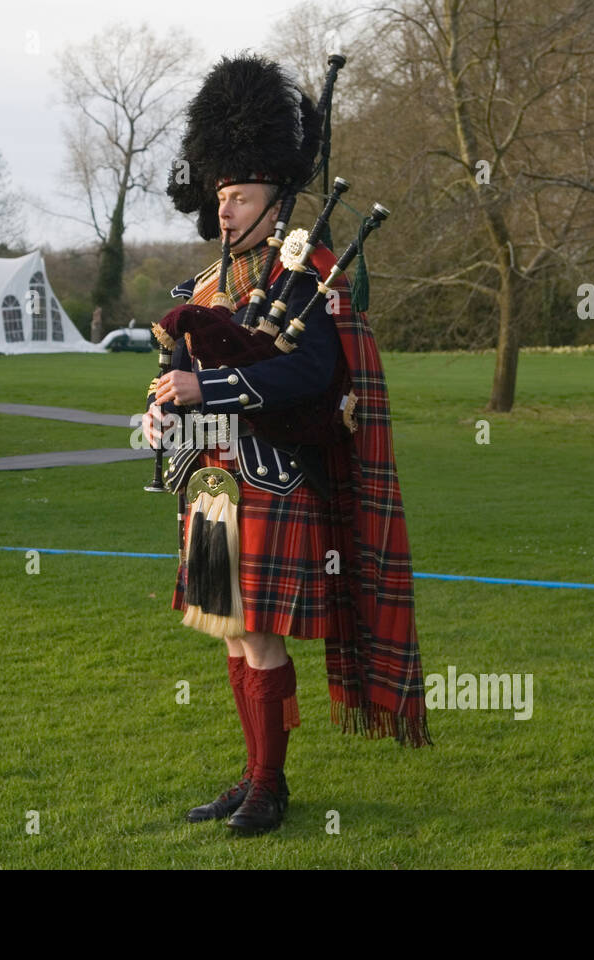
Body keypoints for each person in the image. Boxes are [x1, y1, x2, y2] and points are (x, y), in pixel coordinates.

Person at [145, 55, 431, 838]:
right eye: (221, 196)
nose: (226, 209)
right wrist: (159, 409)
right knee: (231, 631)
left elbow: (311, 372)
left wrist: (215, 390)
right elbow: (172, 367)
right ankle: (250, 774)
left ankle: (271, 785)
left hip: (272, 478)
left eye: (239, 196)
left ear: (276, 196)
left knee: (260, 633)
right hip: (208, 483)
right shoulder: (207, 283)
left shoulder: (308, 272)